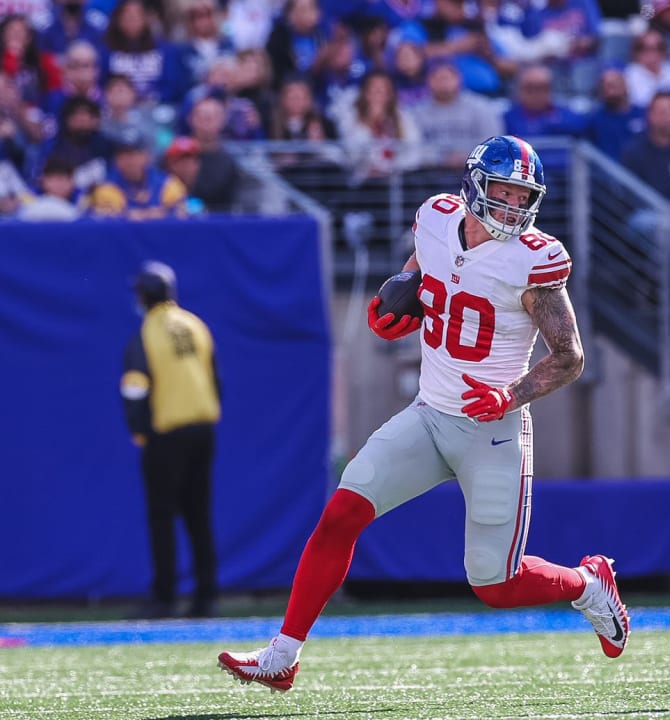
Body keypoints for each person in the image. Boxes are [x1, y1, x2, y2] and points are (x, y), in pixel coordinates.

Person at [218, 135, 630, 692]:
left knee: (495, 585)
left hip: (492, 431)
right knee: (341, 513)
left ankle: (586, 584)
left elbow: (570, 357)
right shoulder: (436, 217)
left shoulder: (533, 259)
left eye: (520, 196)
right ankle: (283, 655)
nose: (511, 207)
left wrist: (509, 395)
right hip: (430, 414)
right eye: (502, 193)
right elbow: (421, 269)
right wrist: (401, 298)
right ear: (476, 185)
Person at [121, 261, 222, 619]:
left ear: (143, 296)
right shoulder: (195, 324)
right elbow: (214, 377)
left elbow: (135, 387)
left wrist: (140, 431)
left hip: (166, 433)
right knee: (199, 515)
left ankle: (164, 597)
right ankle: (206, 597)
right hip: (203, 428)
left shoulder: (147, 333)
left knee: (162, 515)